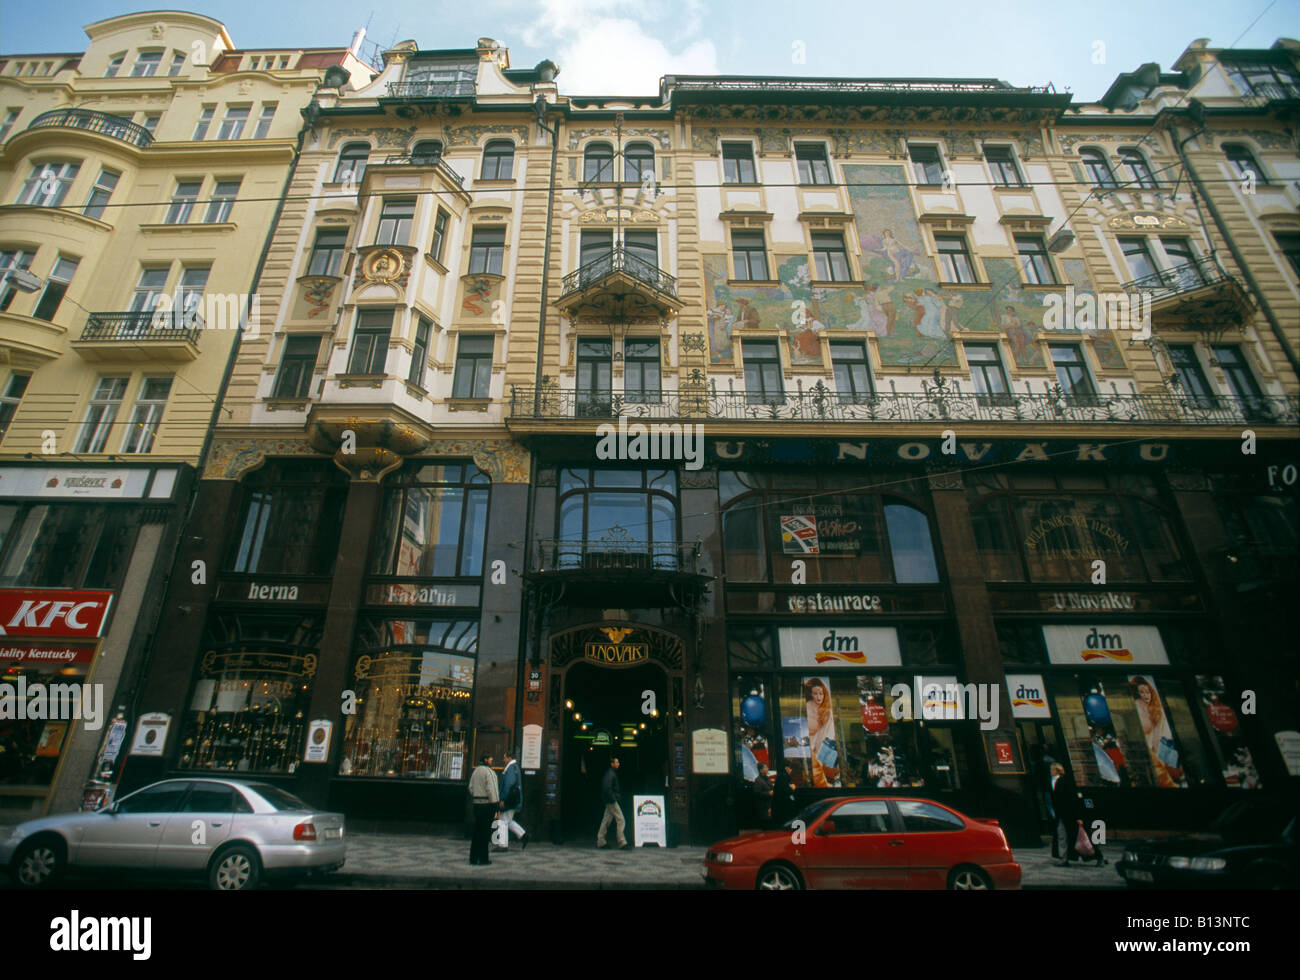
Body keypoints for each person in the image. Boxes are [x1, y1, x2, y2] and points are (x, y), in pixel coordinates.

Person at [804, 678, 840, 788]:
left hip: (820, 743)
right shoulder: (807, 707)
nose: (819, 697)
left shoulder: (827, 711)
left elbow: (826, 733)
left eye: (821, 693)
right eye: (815, 694)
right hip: (809, 743)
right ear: (811, 694)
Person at [468, 753, 499, 866]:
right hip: (487, 804)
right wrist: (495, 803)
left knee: (477, 832)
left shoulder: (475, 771)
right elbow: (492, 789)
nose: (492, 761)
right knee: (485, 833)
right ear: (486, 759)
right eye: (491, 759)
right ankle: (483, 858)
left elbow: (470, 788)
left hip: (477, 804)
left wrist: (477, 795)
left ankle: (473, 857)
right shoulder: (489, 772)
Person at [494, 748, 528, 851]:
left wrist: (503, 799)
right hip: (513, 800)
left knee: (503, 821)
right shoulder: (514, 768)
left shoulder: (510, 769)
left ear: (509, 758)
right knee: (508, 821)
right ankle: (523, 835)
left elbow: (508, 785)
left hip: (509, 800)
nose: (503, 760)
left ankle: (503, 845)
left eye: (504, 758)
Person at [596, 757, 629, 849]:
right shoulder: (611, 774)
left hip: (608, 800)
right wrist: (613, 799)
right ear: (612, 764)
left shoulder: (610, 773)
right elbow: (607, 788)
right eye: (617, 762)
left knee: (606, 820)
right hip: (611, 801)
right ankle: (622, 842)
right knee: (621, 819)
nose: (618, 764)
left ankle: (601, 841)